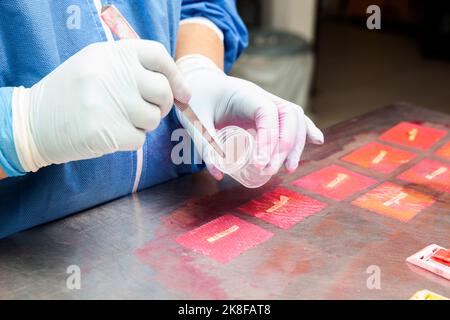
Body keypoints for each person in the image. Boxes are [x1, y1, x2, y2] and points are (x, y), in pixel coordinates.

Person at [0, 0, 323, 239]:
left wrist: (198, 67)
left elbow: (198, 6)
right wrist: (23, 129)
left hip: (178, 218)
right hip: (33, 254)